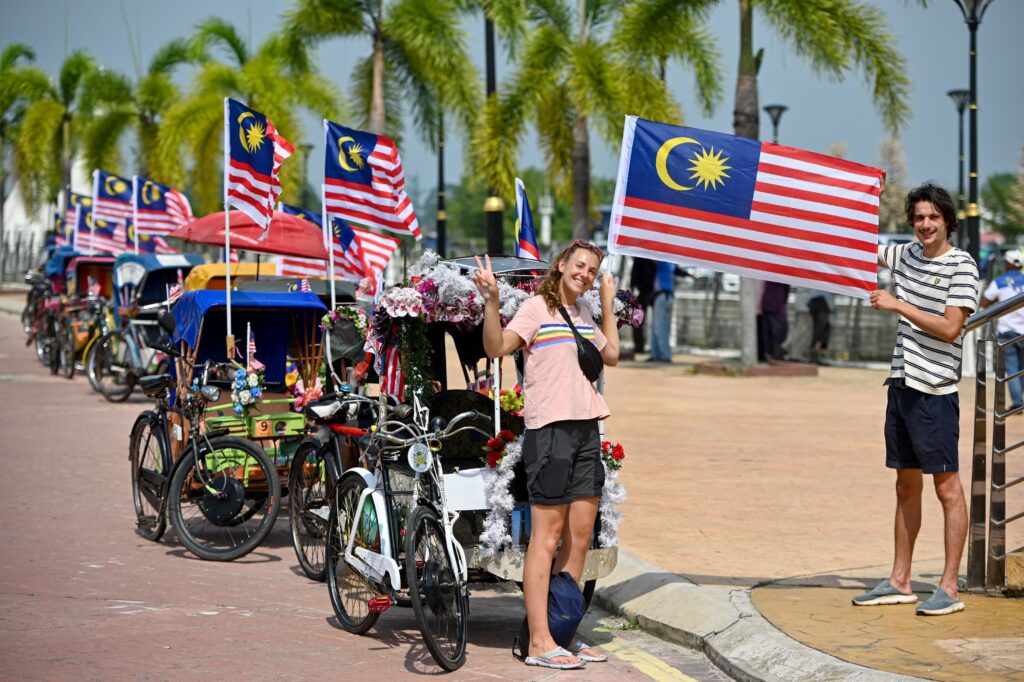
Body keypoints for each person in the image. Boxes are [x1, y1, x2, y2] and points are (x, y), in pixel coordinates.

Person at [473, 241, 619, 669]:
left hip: (586, 430)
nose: (586, 274)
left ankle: (561, 632)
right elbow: (496, 348)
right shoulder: (536, 309)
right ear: (561, 265)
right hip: (550, 433)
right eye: (580, 266)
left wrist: (606, 303)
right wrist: (492, 302)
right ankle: (538, 641)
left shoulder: (585, 313)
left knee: (579, 537)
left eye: (592, 270)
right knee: (547, 538)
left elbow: (610, 354)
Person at [854, 183, 980, 616]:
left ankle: (949, 587)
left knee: (947, 487)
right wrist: (866, 194)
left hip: (936, 392)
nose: (925, 225)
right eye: (919, 217)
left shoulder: (962, 266)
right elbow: (855, 242)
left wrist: (898, 305)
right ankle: (900, 580)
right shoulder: (906, 254)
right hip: (902, 385)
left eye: (933, 217)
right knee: (905, 486)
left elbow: (950, 329)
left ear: (947, 220)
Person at [980, 249, 1024, 411]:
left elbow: (985, 302)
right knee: (1022, 369)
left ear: (1007, 263)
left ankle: (1018, 403)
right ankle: (1020, 399)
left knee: (1012, 369)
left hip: (1008, 332)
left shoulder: (1000, 281)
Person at [649, 260, 675, 362]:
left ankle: (664, 356)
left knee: (660, 327)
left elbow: (653, 259)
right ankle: (656, 354)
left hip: (662, 296)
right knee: (657, 326)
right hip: (665, 297)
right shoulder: (670, 263)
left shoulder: (664, 262)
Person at [629, 257, 656, 355]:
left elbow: (634, 273)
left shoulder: (639, 257)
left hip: (644, 291)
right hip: (649, 291)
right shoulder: (650, 257)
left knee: (638, 321)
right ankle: (640, 346)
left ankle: (640, 347)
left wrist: (633, 288)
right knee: (640, 321)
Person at [807, 289, 836, 365]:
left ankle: (815, 354)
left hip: (819, 301)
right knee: (821, 329)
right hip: (821, 300)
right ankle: (814, 355)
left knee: (823, 329)